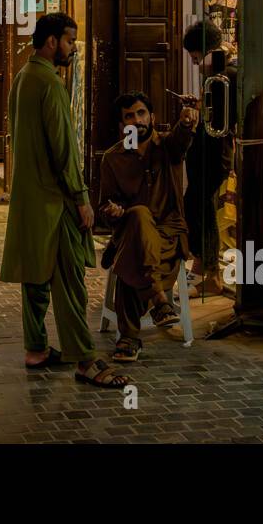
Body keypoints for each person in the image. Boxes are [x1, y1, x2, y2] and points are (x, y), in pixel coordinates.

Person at [0, 12, 131, 389]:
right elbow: (64, 150)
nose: (73, 49)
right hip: (54, 202)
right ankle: (86, 359)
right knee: (70, 280)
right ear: (52, 41)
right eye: (70, 41)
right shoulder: (49, 84)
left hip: (29, 200)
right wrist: (81, 198)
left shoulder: (23, 79)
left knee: (35, 279)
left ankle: (36, 348)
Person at [97, 90, 200, 362]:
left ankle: (129, 339)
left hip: (168, 235)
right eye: (129, 117)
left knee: (133, 258)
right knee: (138, 222)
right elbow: (105, 208)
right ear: (122, 125)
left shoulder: (168, 147)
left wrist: (188, 120)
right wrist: (114, 210)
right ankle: (158, 300)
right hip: (131, 235)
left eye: (141, 113)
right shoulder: (113, 158)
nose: (137, 121)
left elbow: (182, 138)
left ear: (152, 117)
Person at [182, 19, 235, 293]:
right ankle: (203, 266)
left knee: (199, 204)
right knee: (198, 204)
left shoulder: (226, 74)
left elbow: (227, 115)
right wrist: (201, 104)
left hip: (214, 152)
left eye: (194, 56)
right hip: (207, 149)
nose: (194, 64)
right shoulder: (219, 76)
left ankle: (209, 270)